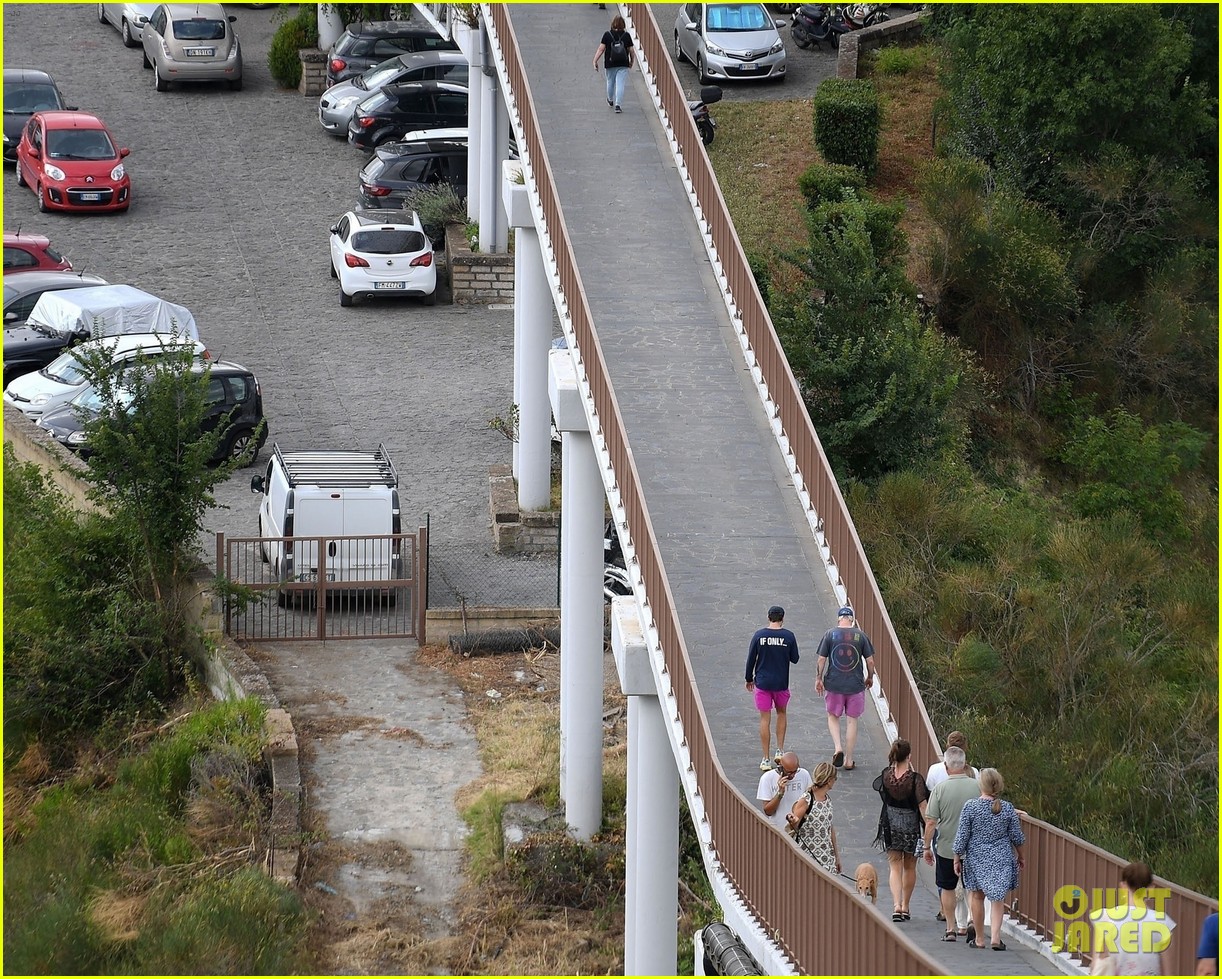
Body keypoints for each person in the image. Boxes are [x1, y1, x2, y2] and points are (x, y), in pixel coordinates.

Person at [953, 768, 1025, 951]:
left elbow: (962, 836)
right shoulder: (1007, 808)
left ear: (981, 785)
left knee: (977, 896)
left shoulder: (970, 807)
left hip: (976, 857)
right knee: (998, 898)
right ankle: (995, 937)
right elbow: (1017, 837)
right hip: (1001, 857)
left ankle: (979, 939)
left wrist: (956, 858)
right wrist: (1021, 856)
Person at [922, 746, 979, 940]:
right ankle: (972, 920)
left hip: (947, 846)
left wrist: (926, 846)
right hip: (973, 847)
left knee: (947, 887)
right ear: (964, 765)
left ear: (946, 766)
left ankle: (951, 928)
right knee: (972, 886)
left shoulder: (940, 789)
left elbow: (931, 822)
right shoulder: (978, 787)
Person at [872, 738, 928, 922]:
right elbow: (922, 805)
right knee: (909, 867)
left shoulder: (886, 775)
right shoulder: (915, 779)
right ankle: (905, 906)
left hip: (891, 824)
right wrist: (928, 825)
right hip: (910, 825)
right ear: (909, 756)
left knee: (894, 866)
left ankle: (896, 905)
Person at [814, 605, 875, 770]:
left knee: (833, 716)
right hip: (855, 685)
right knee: (852, 720)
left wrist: (819, 678)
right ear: (852, 619)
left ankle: (837, 747)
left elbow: (821, 659)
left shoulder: (830, 634)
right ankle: (849, 760)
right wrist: (869, 677)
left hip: (834, 683)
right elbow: (870, 661)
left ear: (838, 619)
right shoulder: (861, 636)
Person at [1090, 861, 1176, 975]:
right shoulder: (1164, 923)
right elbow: (1169, 973)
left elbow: (1097, 965)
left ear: (1123, 886)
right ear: (1151, 888)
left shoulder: (1105, 918)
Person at [744, 605, 800, 772]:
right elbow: (795, 658)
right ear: (783, 618)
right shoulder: (788, 636)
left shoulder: (759, 636)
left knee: (764, 719)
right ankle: (780, 750)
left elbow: (751, 659)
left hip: (762, 683)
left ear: (768, 617)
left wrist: (749, 678)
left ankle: (765, 759)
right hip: (781, 683)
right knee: (781, 713)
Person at [786, 761, 841, 875]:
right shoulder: (806, 799)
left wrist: (836, 857)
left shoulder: (827, 799)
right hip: (808, 856)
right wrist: (794, 820)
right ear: (829, 780)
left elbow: (829, 828)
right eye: (835, 779)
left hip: (827, 857)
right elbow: (795, 824)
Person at [756, 751, 812, 832]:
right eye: (789, 772)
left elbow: (810, 800)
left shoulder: (803, 774)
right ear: (781, 767)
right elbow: (768, 811)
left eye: (795, 771)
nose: (792, 775)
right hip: (779, 830)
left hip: (800, 828)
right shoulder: (767, 778)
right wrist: (780, 793)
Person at [591, 14, 634, 114]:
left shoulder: (607, 35)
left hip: (610, 63)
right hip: (623, 64)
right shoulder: (626, 35)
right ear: (623, 24)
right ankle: (618, 105)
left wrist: (595, 61)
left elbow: (601, 49)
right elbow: (631, 50)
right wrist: (632, 61)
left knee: (610, 82)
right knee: (620, 84)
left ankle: (610, 100)